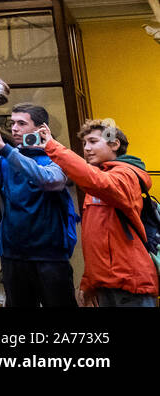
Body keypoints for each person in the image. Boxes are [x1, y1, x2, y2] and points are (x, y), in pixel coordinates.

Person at [0, 103, 78, 307]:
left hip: (50, 257)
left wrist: (3, 147)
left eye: (21, 123)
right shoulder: (4, 162)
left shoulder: (57, 158)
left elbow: (47, 180)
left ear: (41, 129)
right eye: (12, 123)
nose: (14, 129)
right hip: (13, 256)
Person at [41, 119, 158, 307]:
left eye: (94, 142)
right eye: (85, 143)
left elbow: (99, 182)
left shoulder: (127, 175)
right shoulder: (99, 178)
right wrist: (89, 282)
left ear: (114, 144)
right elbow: (95, 240)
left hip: (131, 284)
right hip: (106, 283)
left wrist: (53, 147)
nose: (87, 148)